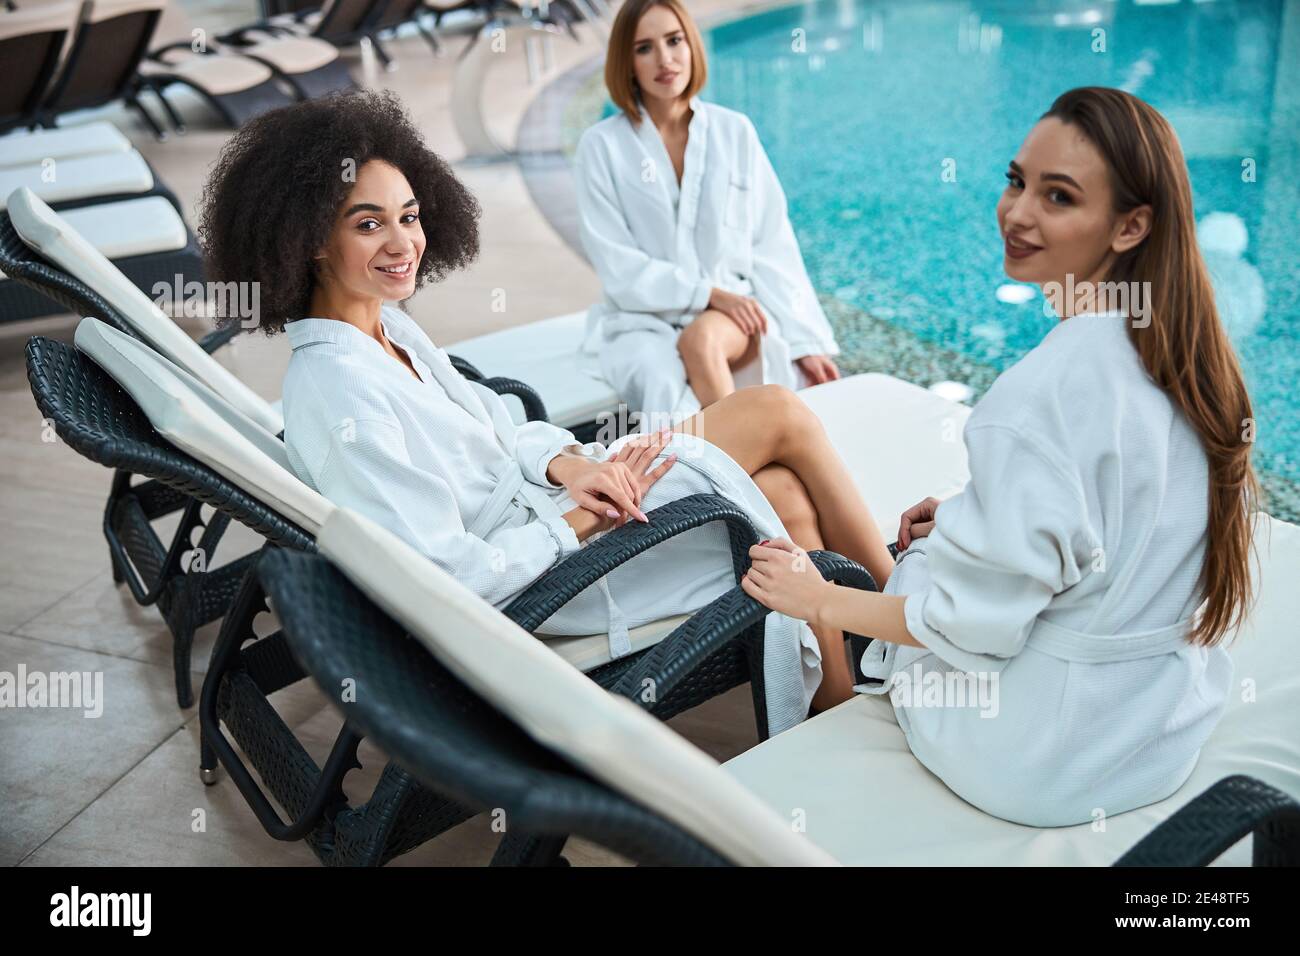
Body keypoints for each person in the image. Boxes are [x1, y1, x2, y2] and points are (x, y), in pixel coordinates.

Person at [198, 90, 896, 735]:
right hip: (553, 583)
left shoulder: (387, 331)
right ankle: (905, 618)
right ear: (310, 239)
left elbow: (500, 427)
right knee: (776, 410)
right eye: (369, 223)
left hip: (559, 507)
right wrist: (581, 519)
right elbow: (448, 579)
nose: (404, 242)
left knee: (783, 495)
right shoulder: (336, 388)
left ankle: (830, 708)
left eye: (409, 217)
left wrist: (564, 463)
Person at [741, 87, 1261, 826]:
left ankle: (828, 680)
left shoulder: (1038, 396)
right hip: (1156, 730)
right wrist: (969, 517)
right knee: (919, 539)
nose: (1018, 214)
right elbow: (1115, 517)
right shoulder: (1193, 363)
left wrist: (813, 596)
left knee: (889, 560)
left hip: (1042, 759)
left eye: (1058, 197)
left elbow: (973, 632)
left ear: (1131, 225)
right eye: (1017, 181)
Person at [574, 0, 840, 426]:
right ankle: (732, 472)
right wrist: (706, 292)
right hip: (643, 320)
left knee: (758, 362)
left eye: (674, 40)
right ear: (627, 61)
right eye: (644, 48)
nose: (665, 59)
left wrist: (805, 338)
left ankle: (738, 473)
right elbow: (617, 265)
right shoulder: (601, 146)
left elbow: (771, 241)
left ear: (692, 45)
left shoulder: (734, 132)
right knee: (663, 385)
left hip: (729, 315)